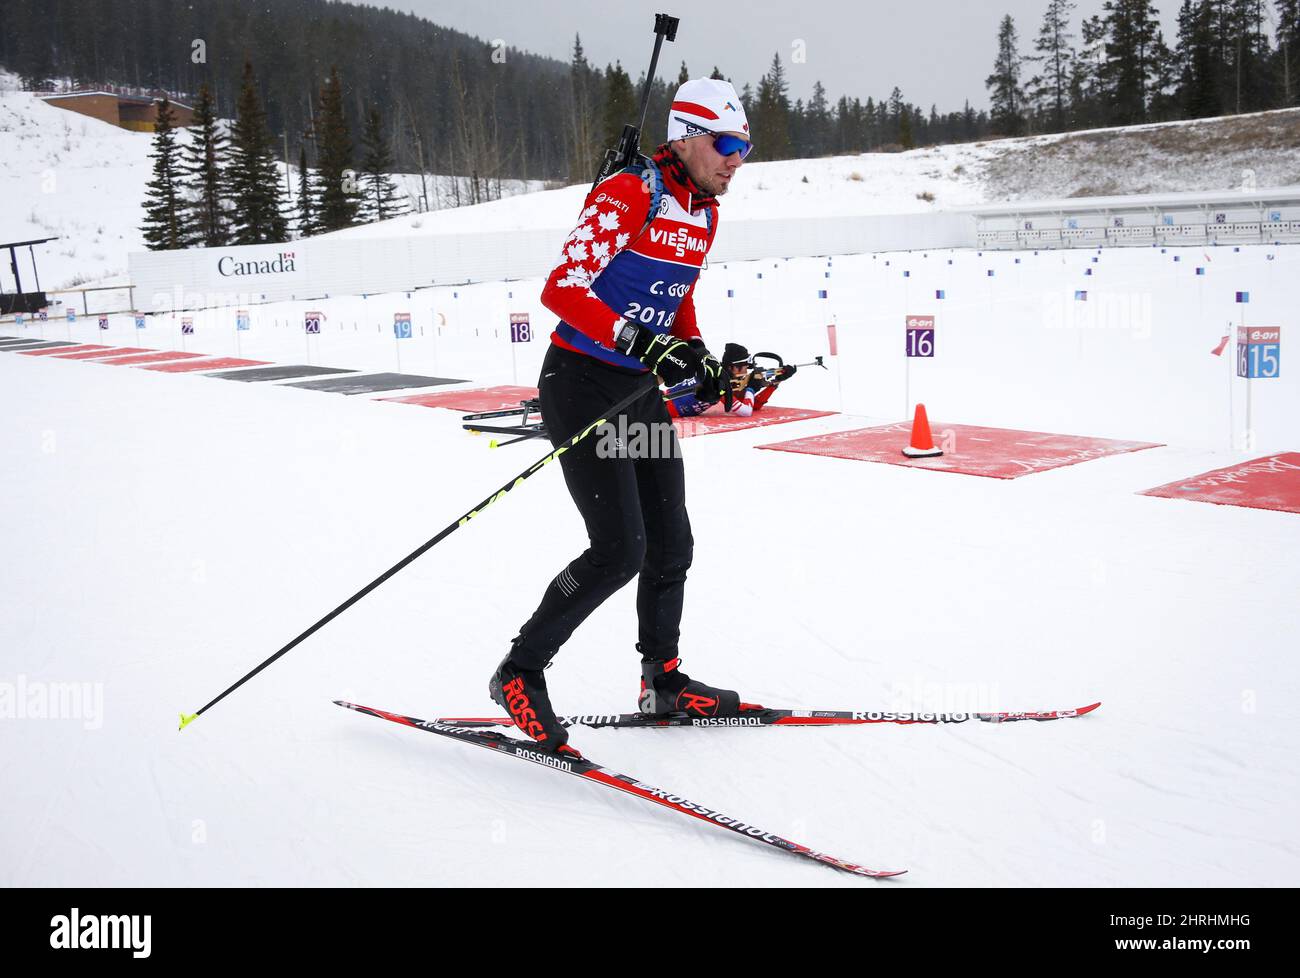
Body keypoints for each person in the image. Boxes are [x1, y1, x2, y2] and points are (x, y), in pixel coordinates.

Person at [489, 79, 756, 756]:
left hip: (639, 389)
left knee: (672, 543)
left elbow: (678, 293)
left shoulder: (705, 209)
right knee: (619, 551)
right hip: (580, 381)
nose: (735, 161)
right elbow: (562, 289)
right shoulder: (631, 191)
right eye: (726, 146)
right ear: (687, 136)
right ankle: (519, 671)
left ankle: (663, 681)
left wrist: (693, 351)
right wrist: (644, 342)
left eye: (745, 148)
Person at [665, 343, 799, 419]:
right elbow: (746, 412)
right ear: (732, 367)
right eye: (745, 367)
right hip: (663, 408)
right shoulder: (719, 382)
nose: (747, 371)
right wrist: (751, 388)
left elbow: (753, 405)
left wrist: (774, 383)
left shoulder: (728, 381)